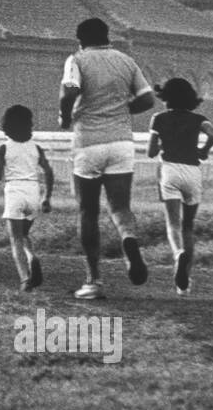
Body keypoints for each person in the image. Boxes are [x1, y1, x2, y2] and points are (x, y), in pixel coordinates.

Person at [58, 18, 155, 300]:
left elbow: (70, 91)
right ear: (107, 37)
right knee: (120, 207)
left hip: (89, 142)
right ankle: (129, 242)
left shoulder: (76, 59)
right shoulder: (126, 61)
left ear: (80, 40)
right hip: (122, 143)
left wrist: (66, 117)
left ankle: (93, 280)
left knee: (88, 212)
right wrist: (123, 109)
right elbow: (148, 100)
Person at [148, 78, 213, 296]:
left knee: (173, 224)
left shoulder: (158, 118)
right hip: (193, 172)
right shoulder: (199, 119)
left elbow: (151, 152)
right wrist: (204, 150)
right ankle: (184, 282)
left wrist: (163, 143)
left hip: (170, 170)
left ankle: (178, 253)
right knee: (188, 225)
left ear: (166, 98)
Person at [0, 105, 54, 291]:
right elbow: (49, 172)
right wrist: (46, 197)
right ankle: (32, 257)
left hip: (14, 191)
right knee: (25, 234)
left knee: (16, 239)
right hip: (33, 191)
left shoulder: (4, 148)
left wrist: (0, 166)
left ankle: (25, 278)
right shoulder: (37, 148)